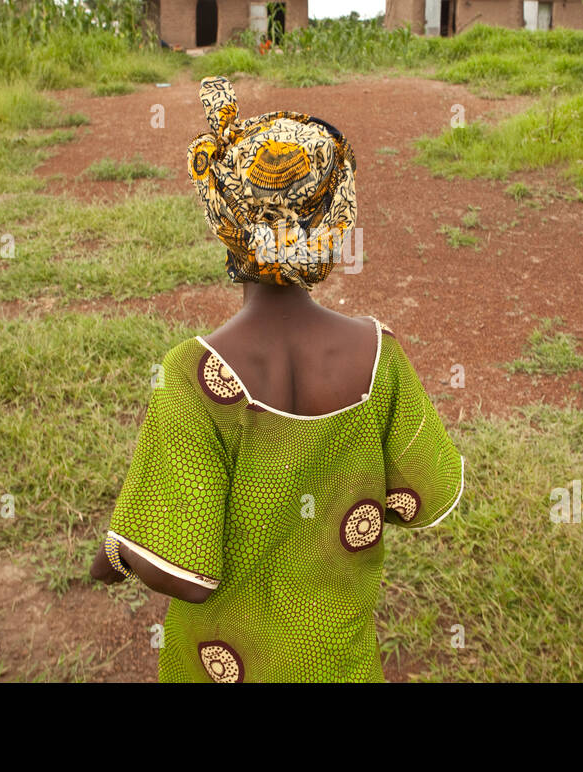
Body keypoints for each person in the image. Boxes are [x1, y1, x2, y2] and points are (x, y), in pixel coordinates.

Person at [90, 76, 465, 682]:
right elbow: (424, 494)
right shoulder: (378, 354)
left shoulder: (194, 374)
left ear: (227, 224)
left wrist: (113, 554)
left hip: (221, 662)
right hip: (335, 661)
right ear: (334, 228)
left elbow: (180, 569)